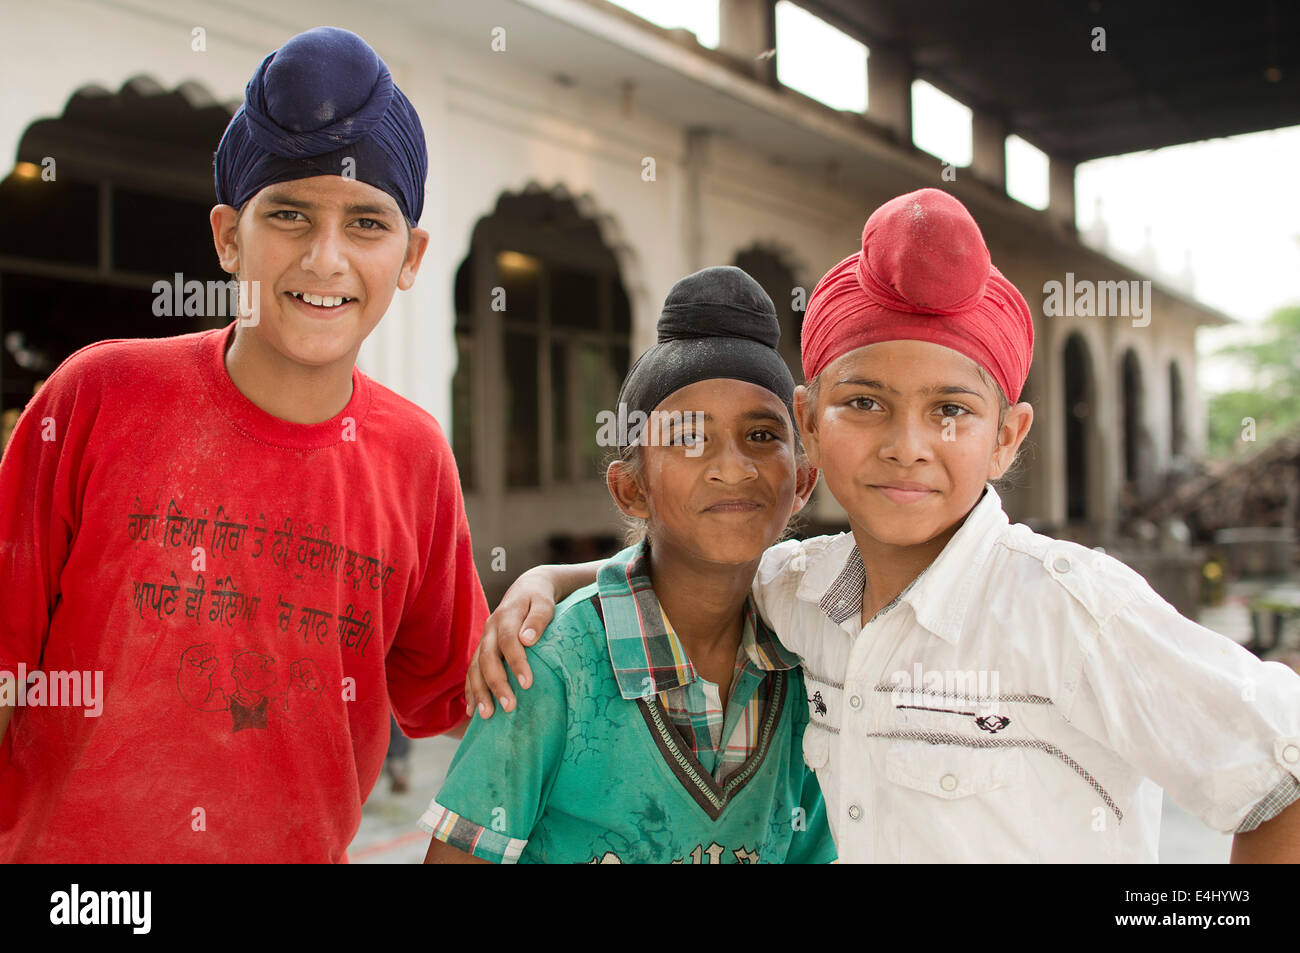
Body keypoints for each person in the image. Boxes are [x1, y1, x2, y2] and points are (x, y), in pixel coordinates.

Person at [465, 188, 1300, 863]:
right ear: (811, 427)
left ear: (1007, 438)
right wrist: (553, 583)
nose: (907, 448)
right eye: (864, 403)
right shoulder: (805, 595)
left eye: (951, 411)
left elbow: (1282, 780)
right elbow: (691, 564)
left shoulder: (1071, 611)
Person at [0, 26, 488, 862]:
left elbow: (467, 698)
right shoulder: (97, 397)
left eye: (366, 223)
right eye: (289, 214)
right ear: (229, 236)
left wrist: (561, 583)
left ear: (411, 257)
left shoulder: (415, 458)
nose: (325, 258)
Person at [422, 267, 835, 863]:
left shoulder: (808, 664)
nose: (732, 466)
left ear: (802, 481)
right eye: (688, 436)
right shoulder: (550, 667)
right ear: (630, 491)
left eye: (763, 434)